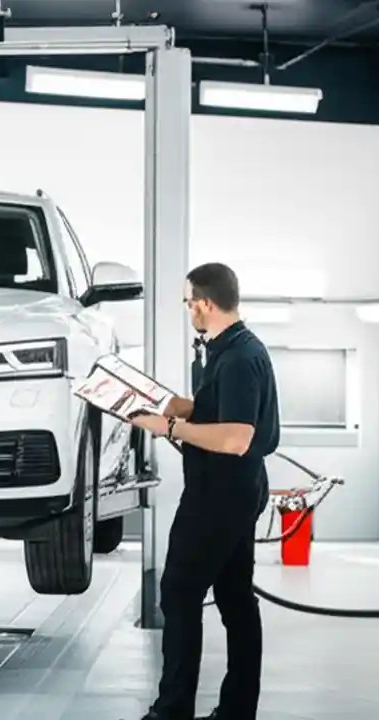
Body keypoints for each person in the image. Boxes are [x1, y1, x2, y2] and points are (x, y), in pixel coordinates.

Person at [130, 262, 280, 720]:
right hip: (234, 490)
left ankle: (172, 711)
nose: (187, 309)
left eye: (188, 301)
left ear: (205, 303)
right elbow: (218, 412)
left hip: (220, 492)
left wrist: (168, 427)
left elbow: (235, 438)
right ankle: (237, 712)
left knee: (178, 591)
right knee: (235, 598)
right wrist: (175, 406)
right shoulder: (230, 351)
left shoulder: (237, 359)